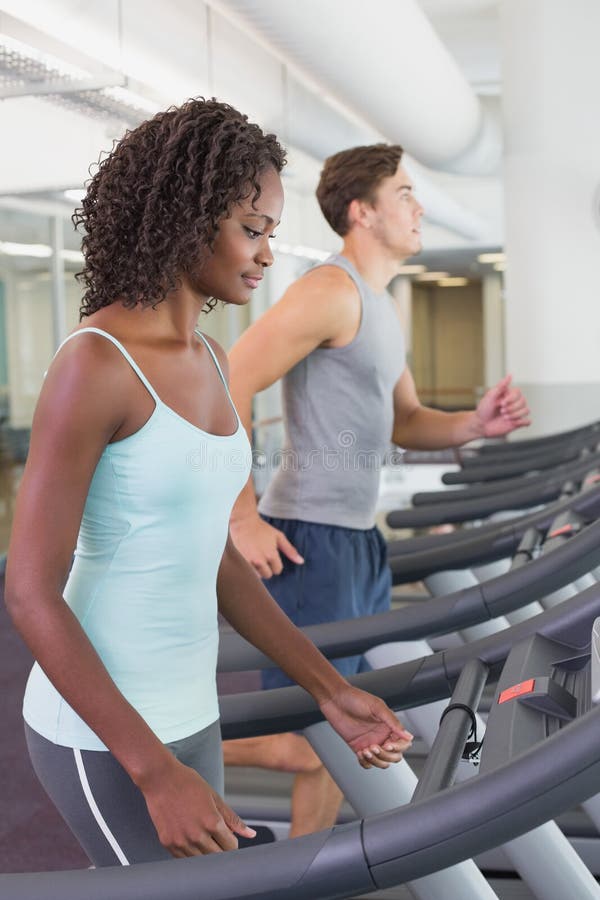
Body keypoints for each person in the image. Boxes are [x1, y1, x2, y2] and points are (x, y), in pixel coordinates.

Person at [4, 103, 414, 867]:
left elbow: (217, 559)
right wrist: (156, 771)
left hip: (191, 713)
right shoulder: (95, 364)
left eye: (270, 232)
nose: (265, 254)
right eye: (252, 229)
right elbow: (29, 591)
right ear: (187, 220)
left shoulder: (214, 361)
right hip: (102, 732)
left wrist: (328, 689)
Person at [224, 143, 531, 836]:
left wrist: (476, 424)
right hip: (311, 540)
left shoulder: (379, 304)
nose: (418, 206)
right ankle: (139, 750)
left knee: (346, 734)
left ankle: (305, 873)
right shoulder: (329, 291)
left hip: (359, 542)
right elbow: (232, 377)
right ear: (362, 212)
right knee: (309, 739)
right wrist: (240, 516)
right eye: (404, 192)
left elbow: (409, 421)